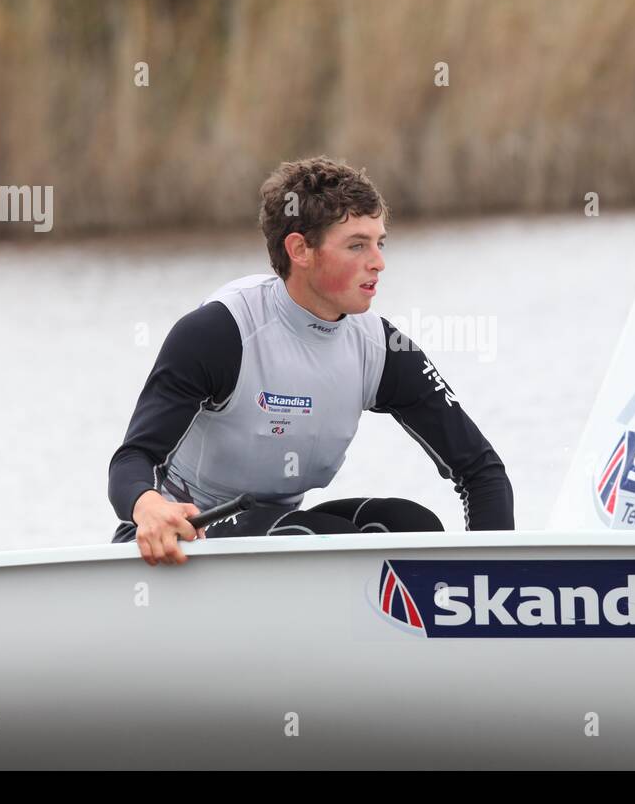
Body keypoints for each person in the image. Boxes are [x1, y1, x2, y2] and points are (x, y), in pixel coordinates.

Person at [108, 156, 514, 565]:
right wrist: (147, 507)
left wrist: (487, 582)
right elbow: (131, 460)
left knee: (409, 524)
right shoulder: (221, 334)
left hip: (282, 535)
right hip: (179, 540)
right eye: (357, 245)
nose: (379, 262)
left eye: (380, 243)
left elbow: (481, 472)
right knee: (317, 537)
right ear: (300, 249)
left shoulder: (380, 348)